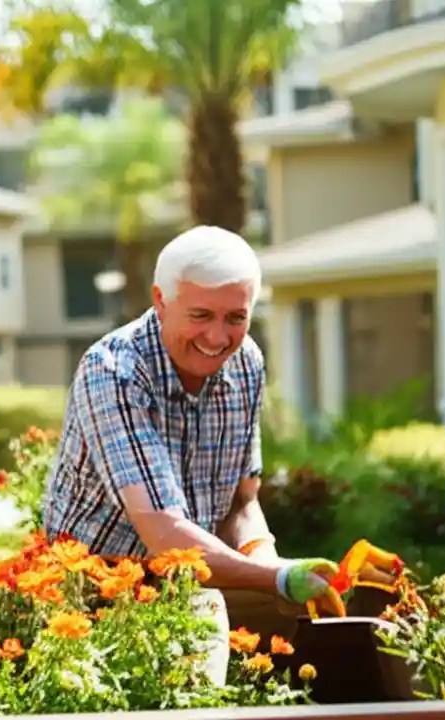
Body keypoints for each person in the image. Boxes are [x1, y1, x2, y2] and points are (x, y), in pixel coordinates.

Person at [43, 225, 341, 640]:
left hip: (195, 587)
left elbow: (241, 503)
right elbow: (164, 533)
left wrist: (270, 564)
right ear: (160, 301)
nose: (218, 337)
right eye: (201, 315)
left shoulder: (246, 362)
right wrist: (274, 578)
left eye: (236, 318)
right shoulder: (114, 372)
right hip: (92, 600)